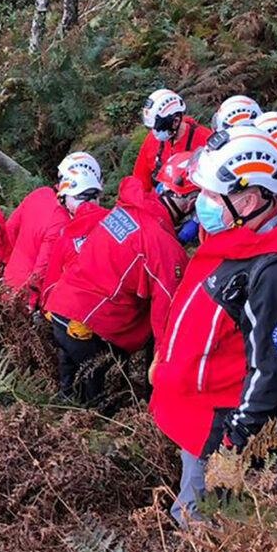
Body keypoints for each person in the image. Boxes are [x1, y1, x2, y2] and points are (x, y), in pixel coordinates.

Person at [149, 128, 277, 524]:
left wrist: (235, 441)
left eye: (214, 195)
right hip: (198, 410)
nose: (203, 203)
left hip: (222, 425)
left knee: (201, 521)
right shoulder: (240, 238)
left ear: (249, 199)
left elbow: (275, 369)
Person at [45, 153, 192, 404]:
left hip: (62, 310)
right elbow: (165, 317)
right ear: (189, 201)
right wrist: (159, 366)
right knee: (98, 402)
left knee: (69, 396)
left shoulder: (125, 209)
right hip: (88, 325)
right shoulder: (164, 247)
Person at [38, 152, 109, 306]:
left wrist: (46, 305)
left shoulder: (66, 236)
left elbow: (51, 279)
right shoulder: (114, 221)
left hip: (77, 309)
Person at [2, 177, 70, 310]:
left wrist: (16, 256)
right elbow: (42, 268)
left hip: (9, 278)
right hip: (27, 293)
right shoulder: (61, 219)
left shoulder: (40, 193)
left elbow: (10, 227)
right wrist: (32, 301)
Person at [130, 88, 211, 189]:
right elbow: (140, 181)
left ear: (176, 121)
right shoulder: (152, 140)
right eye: (152, 128)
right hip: (158, 201)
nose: (155, 133)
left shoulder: (205, 141)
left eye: (159, 128)